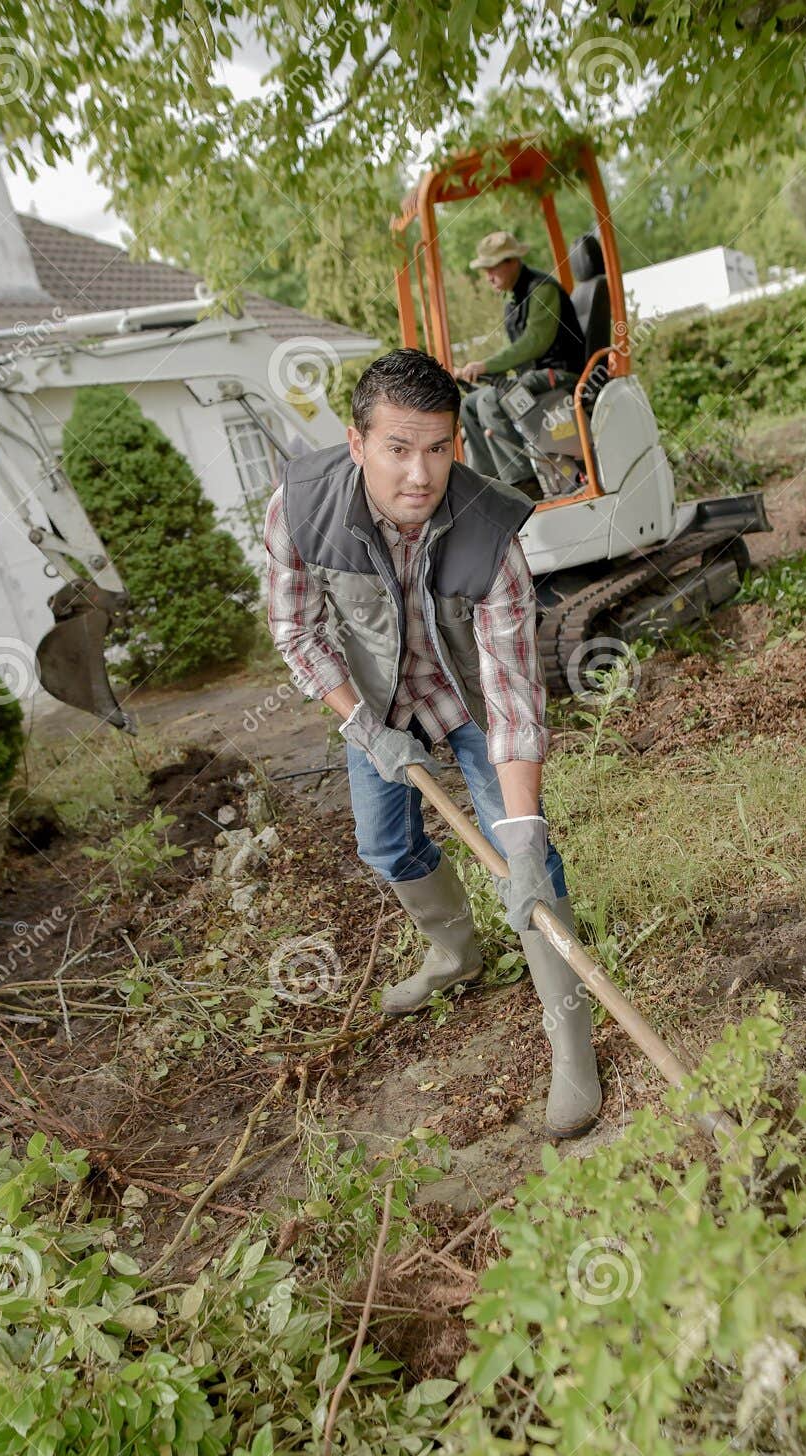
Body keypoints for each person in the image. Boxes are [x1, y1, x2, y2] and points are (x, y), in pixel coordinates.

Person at [264, 347, 601, 1140]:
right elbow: (296, 630)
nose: (420, 474)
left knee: (528, 858)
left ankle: (570, 1041)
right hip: (375, 698)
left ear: (457, 441)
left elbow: (516, 699)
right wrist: (360, 724)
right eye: (397, 448)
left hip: (464, 695)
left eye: (439, 448)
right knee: (385, 848)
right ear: (356, 443)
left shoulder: (491, 533)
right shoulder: (301, 508)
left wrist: (520, 841)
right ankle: (456, 954)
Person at [453, 230, 586, 495]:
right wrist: (481, 373)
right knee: (468, 404)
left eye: (492, 268)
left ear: (512, 262)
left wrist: (487, 365)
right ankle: (488, 485)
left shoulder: (542, 290)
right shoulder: (513, 303)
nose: (488, 276)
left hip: (560, 374)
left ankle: (524, 486)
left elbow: (534, 342)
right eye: (485, 270)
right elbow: (518, 353)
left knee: (490, 401)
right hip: (534, 379)